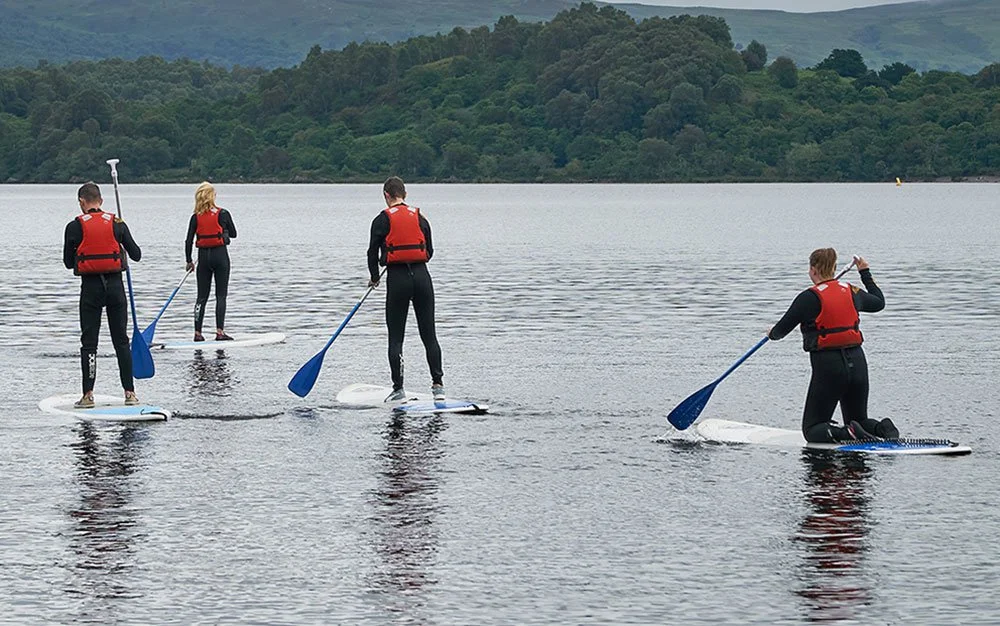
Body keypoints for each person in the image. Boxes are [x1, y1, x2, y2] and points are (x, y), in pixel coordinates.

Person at [767, 248, 898, 443]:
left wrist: (771, 333)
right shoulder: (851, 291)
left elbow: (780, 332)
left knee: (812, 429)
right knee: (859, 419)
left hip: (829, 366)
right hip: (858, 362)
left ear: (812, 269)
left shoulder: (808, 297)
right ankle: (883, 428)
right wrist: (865, 273)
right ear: (834, 267)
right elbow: (879, 302)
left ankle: (845, 433)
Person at [63, 182, 142, 408]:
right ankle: (130, 393)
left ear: (81, 202)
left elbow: (69, 263)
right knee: (121, 342)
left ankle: (88, 395)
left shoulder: (74, 227)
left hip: (90, 290)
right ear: (101, 201)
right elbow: (137, 255)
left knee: (89, 343)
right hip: (116, 289)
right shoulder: (117, 223)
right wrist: (121, 242)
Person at [367, 176, 445, 402]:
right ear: (405, 195)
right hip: (422, 277)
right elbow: (429, 251)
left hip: (398, 279)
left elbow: (372, 253)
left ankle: (398, 388)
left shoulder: (382, 220)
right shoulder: (420, 217)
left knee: (396, 338)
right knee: (429, 335)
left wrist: (374, 277)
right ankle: (438, 385)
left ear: (386, 195)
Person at [185, 182, 237, 341]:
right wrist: (225, 231)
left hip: (203, 258)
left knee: (201, 297)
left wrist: (189, 261)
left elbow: (188, 240)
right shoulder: (223, 213)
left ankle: (197, 333)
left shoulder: (195, 217)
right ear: (212, 196)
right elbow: (234, 234)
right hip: (220, 256)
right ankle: (220, 331)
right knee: (221, 296)